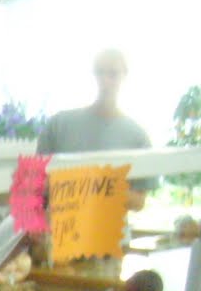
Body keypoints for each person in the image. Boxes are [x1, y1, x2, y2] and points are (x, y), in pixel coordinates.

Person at [37, 49, 153, 211]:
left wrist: (87, 184)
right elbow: (35, 186)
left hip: (111, 234)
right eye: (100, 73)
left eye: (112, 74)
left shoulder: (137, 136)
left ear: (124, 75)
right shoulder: (58, 125)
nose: (105, 81)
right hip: (63, 232)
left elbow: (138, 202)